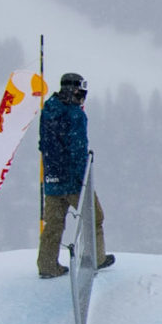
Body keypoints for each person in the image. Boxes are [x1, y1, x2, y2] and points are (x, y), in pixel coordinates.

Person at [36, 72, 113, 279]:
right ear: (75, 91)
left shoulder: (48, 109)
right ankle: (96, 258)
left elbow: (43, 145)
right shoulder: (75, 114)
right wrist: (82, 178)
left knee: (53, 224)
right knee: (94, 216)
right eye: (82, 93)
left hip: (52, 180)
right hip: (74, 181)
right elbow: (77, 148)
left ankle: (47, 265)